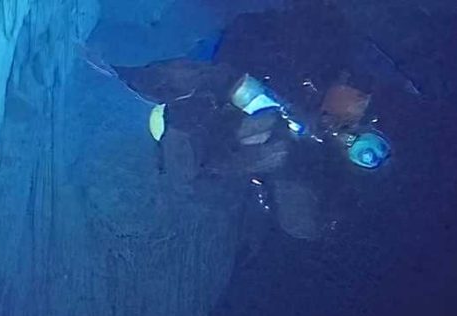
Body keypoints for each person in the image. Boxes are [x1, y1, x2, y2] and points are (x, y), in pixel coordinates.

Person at [102, 0, 401, 240]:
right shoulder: (319, 58)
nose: (349, 130)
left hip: (197, 133)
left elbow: (298, 219)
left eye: (363, 155)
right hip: (209, 63)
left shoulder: (303, 162)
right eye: (368, 137)